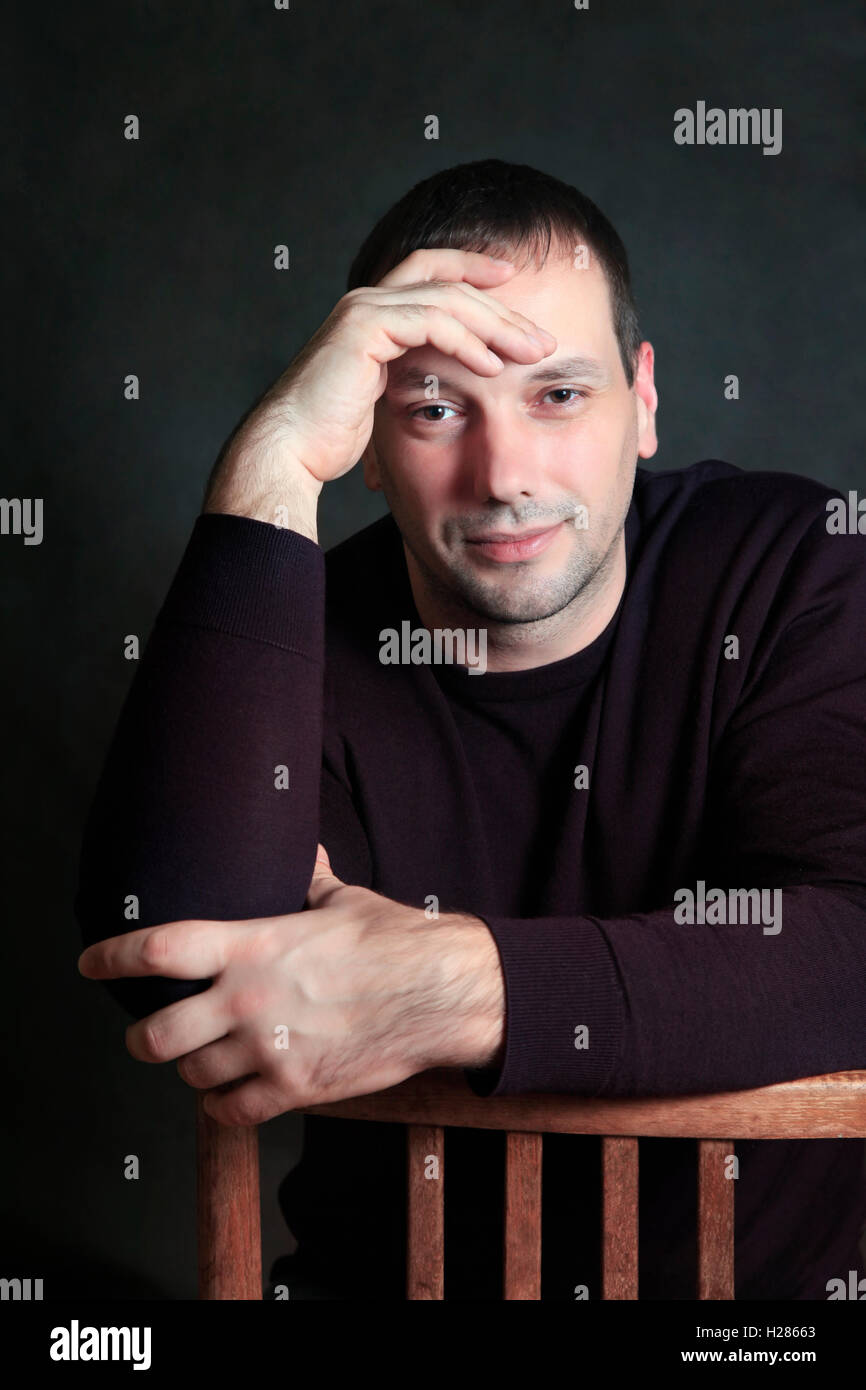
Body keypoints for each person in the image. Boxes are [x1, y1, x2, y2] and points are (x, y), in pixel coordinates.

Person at [75, 158, 866, 1301]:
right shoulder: (292, 629)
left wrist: (454, 986)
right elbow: (166, 963)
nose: (504, 477)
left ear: (642, 402)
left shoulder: (792, 568)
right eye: (435, 408)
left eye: (558, 394)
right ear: (367, 441)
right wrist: (270, 465)